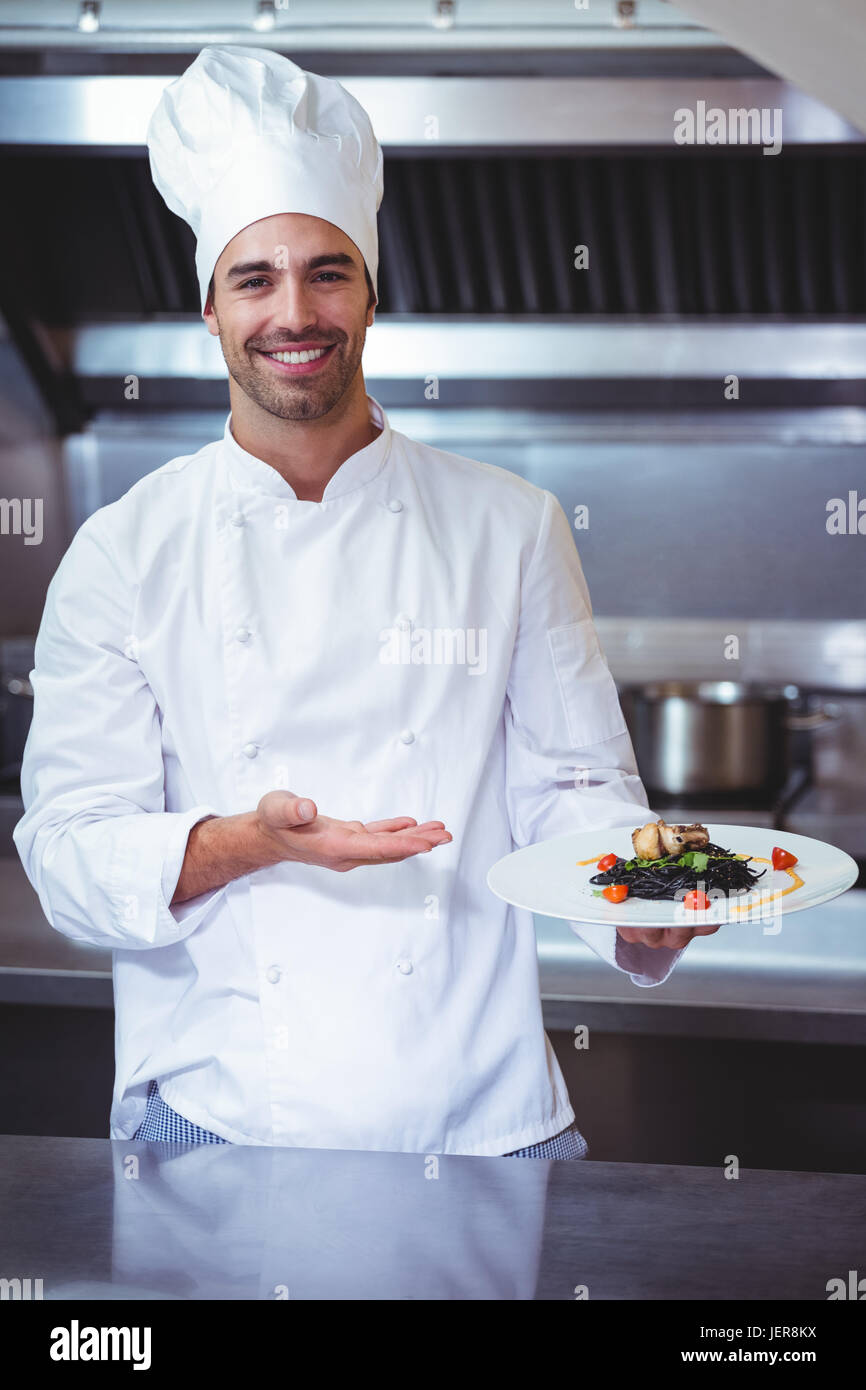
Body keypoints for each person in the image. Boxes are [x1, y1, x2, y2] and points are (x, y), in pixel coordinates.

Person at [14, 47, 717, 1158]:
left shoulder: (509, 524)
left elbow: (571, 790)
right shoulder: (123, 551)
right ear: (208, 307)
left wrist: (641, 900)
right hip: (221, 1119)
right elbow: (67, 855)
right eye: (255, 278)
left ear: (371, 290)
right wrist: (247, 843)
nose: (295, 311)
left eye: (326, 271)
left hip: (484, 1122)